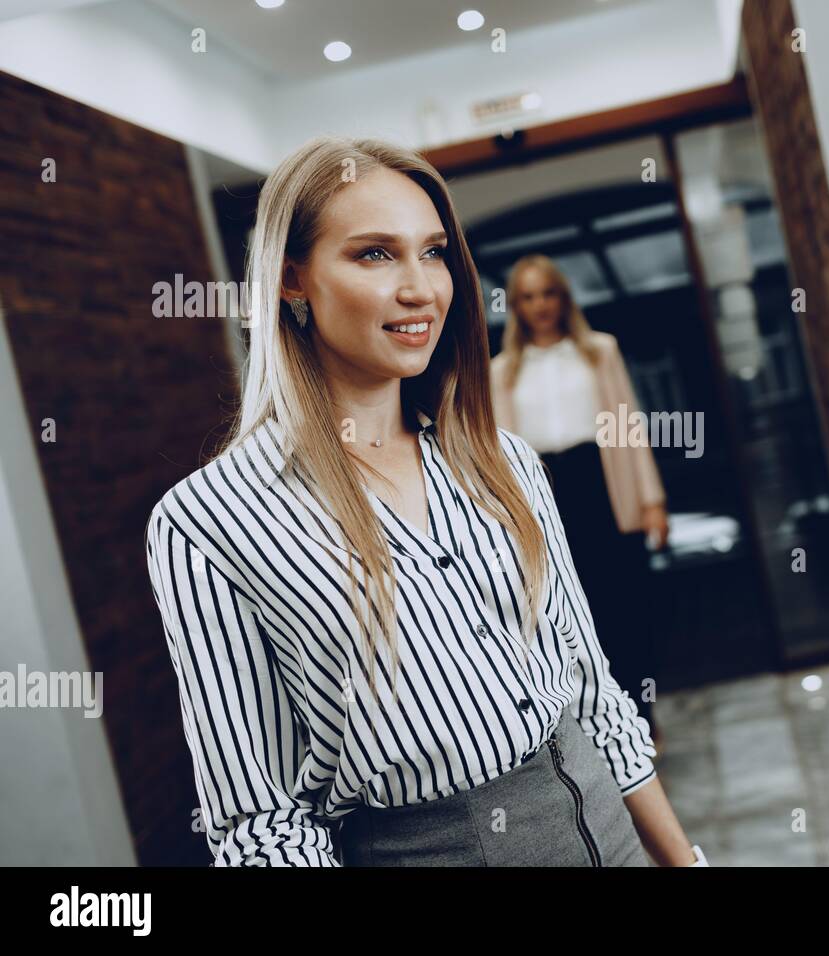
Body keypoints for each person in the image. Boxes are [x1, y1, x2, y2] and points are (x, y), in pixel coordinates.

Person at [144, 134, 706, 867]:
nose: (421, 288)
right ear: (290, 280)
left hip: (612, 830)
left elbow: (595, 695)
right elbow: (262, 825)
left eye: (434, 251)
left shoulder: (505, 461)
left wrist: (685, 861)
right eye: (374, 253)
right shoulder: (207, 522)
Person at [489, 255, 669, 742]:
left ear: (562, 296)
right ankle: (593, 725)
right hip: (544, 490)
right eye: (527, 296)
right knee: (570, 609)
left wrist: (651, 498)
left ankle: (642, 721)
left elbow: (628, 427)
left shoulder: (598, 352)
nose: (539, 305)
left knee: (626, 603)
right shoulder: (501, 371)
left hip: (603, 484)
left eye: (547, 292)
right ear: (517, 306)